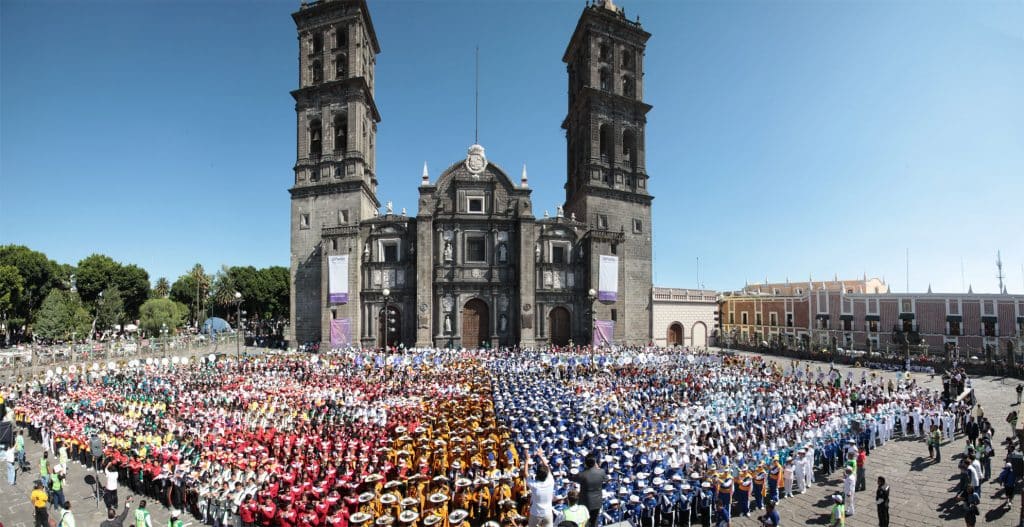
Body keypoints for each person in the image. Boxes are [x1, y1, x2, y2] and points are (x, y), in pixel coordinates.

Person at [570, 455, 605, 527]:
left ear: (585, 464)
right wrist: (597, 468)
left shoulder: (582, 474)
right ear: (595, 463)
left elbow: (572, 478)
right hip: (597, 501)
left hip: (585, 502)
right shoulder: (601, 472)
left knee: (585, 521)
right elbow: (606, 478)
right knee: (594, 521)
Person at [525, 450, 554, 527]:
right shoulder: (551, 481)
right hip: (548, 513)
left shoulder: (534, 485)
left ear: (537, 475)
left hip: (535, 514)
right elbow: (547, 467)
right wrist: (540, 456)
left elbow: (526, 473)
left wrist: (527, 460)